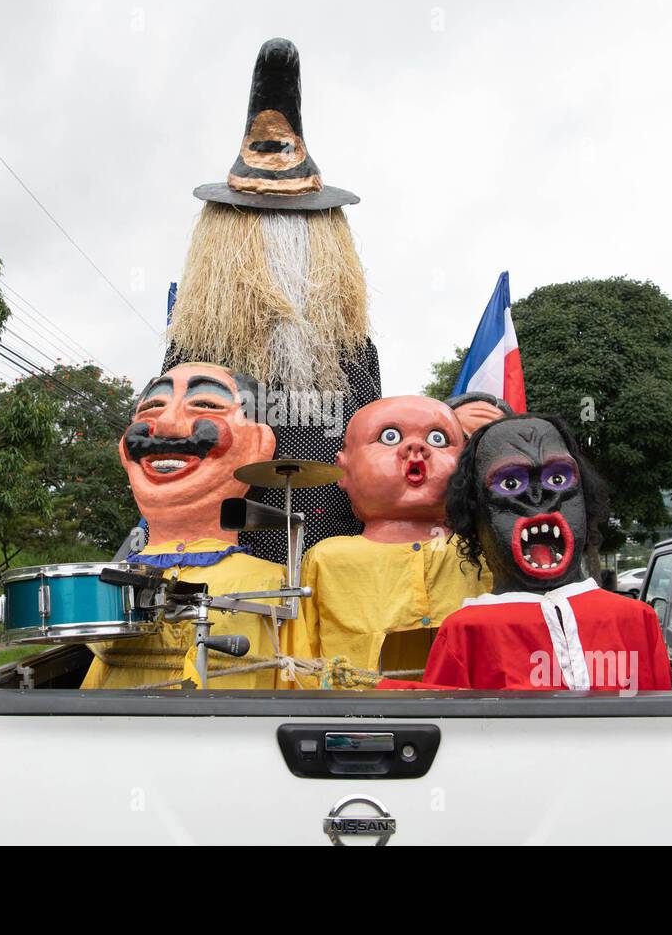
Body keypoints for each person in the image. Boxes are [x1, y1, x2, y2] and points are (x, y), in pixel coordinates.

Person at [162, 38, 381, 562]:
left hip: (334, 549)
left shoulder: (353, 348)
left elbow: (373, 445)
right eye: (258, 221)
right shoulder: (194, 343)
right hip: (220, 553)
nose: (280, 239)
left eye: (299, 222)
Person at [381, 413, 672, 692]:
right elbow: (448, 731)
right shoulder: (466, 632)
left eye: (558, 479)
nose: (538, 497)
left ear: (584, 499)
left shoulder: (637, 620)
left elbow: (668, 727)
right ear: (475, 515)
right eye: (511, 483)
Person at [80, 363, 287, 690]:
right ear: (123, 449)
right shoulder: (110, 581)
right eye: (152, 407)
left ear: (257, 445)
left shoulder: (272, 582)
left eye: (206, 404)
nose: (166, 423)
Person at [289, 396, 491, 684]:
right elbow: (302, 651)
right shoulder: (326, 558)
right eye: (390, 436)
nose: (416, 448)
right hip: (355, 717)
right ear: (344, 469)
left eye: (438, 438)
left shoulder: (482, 550)